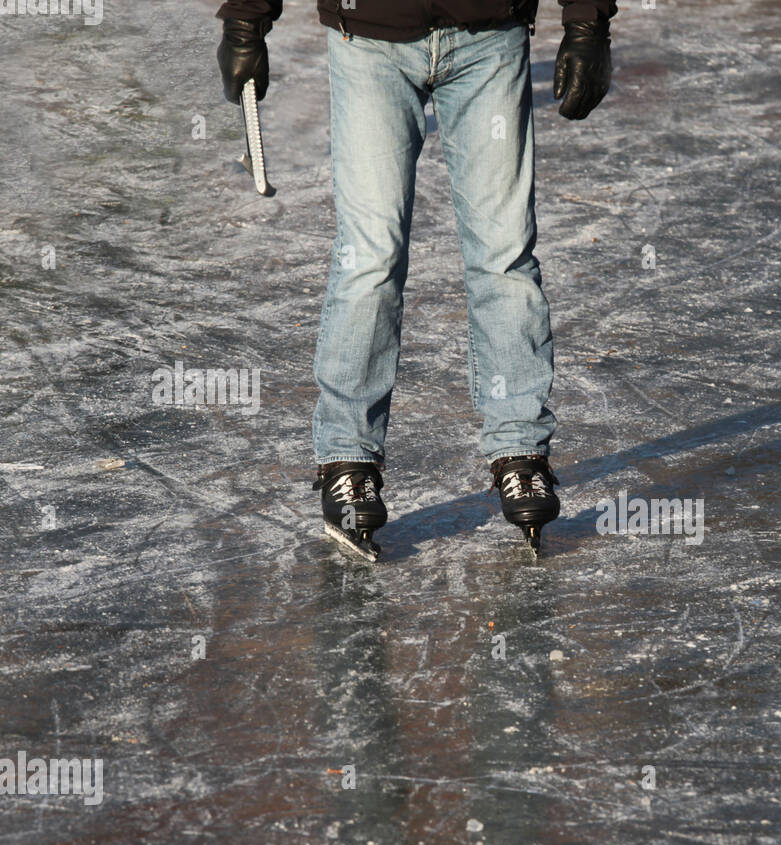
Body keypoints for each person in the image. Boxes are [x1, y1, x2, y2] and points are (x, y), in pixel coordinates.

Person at [216, 0, 616, 559]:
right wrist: (246, 20)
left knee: (504, 254)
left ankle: (521, 450)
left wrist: (587, 21)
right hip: (371, 39)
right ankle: (348, 459)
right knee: (370, 257)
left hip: (490, 34)